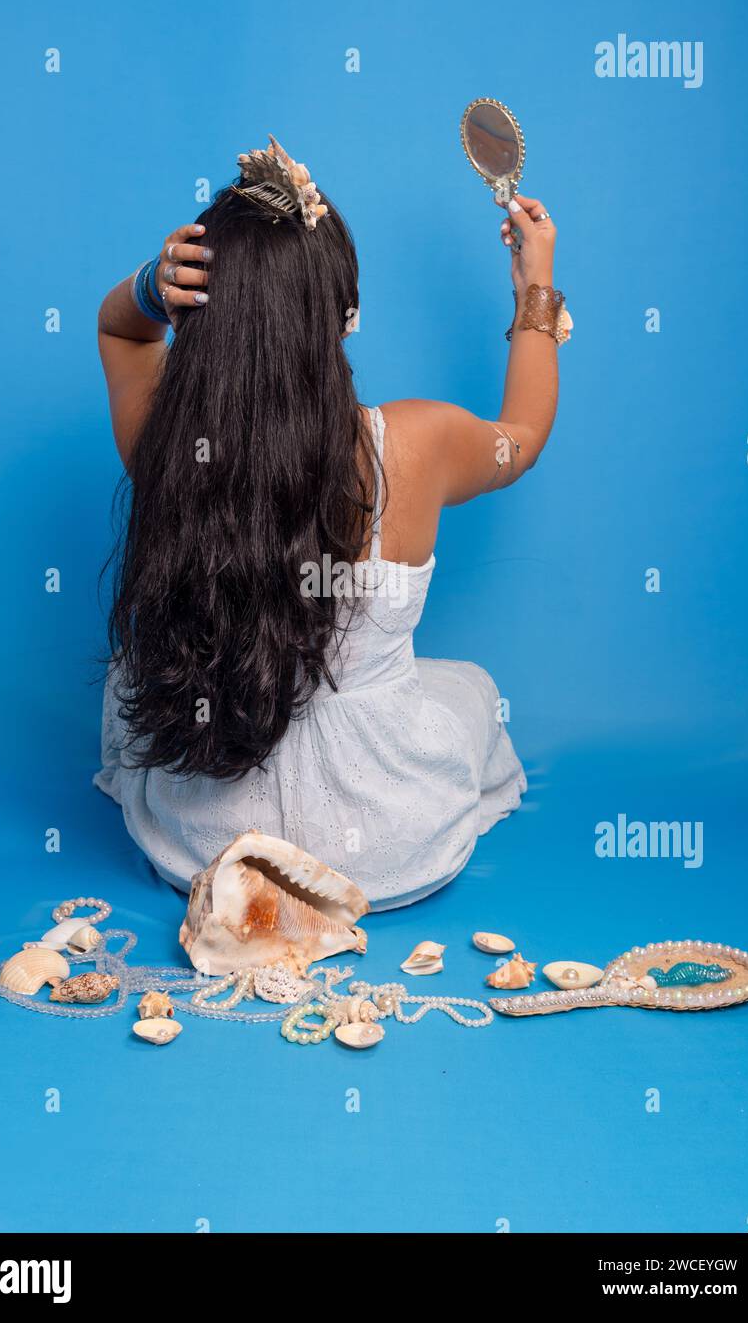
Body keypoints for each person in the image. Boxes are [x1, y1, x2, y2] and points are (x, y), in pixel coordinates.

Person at [94, 136, 568, 909]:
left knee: (127, 681)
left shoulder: (171, 449)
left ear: (198, 314)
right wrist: (535, 285)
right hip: (387, 849)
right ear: (346, 317)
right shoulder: (414, 445)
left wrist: (149, 287)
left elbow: (120, 329)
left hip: (211, 852)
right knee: (471, 691)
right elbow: (524, 434)